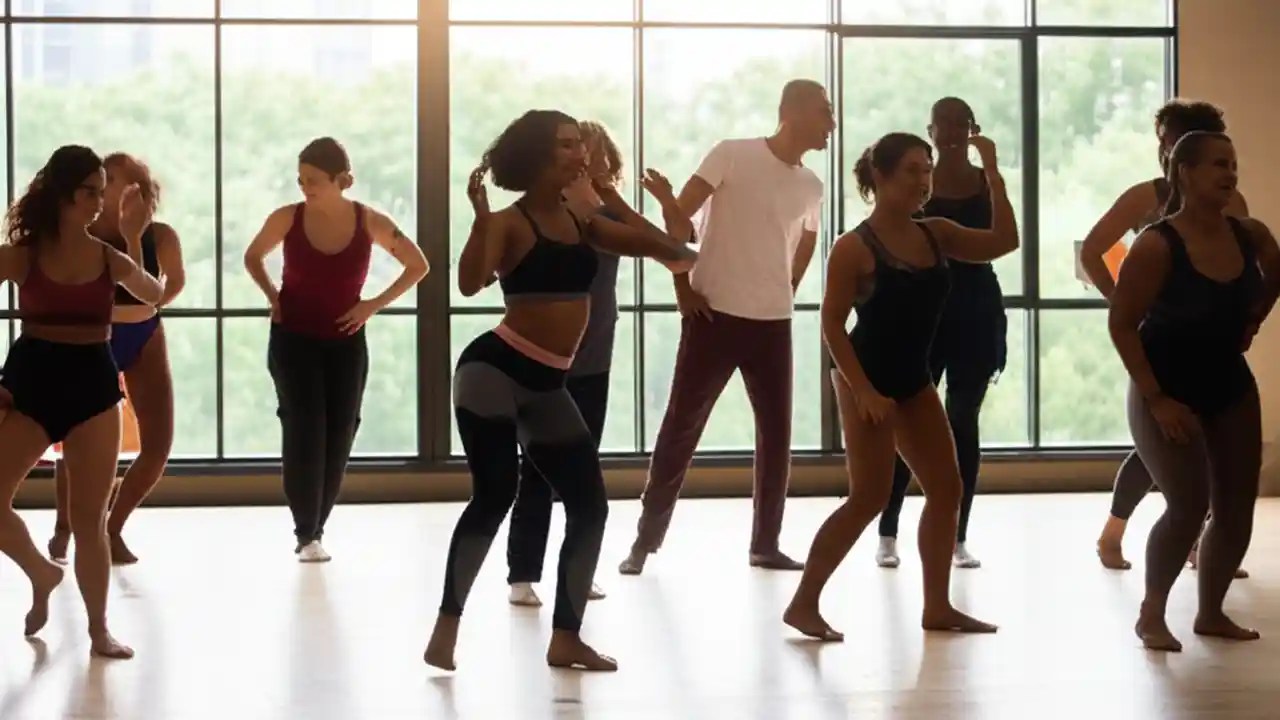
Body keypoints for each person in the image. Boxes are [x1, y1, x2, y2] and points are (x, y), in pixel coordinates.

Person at [425, 109, 696, 673]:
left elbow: (671, 249)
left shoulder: (583, 219)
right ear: (537, 157)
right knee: (494, 494)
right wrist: (479, 220)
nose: (581, 154)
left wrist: (610, 201)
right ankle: (447, 626)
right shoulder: (509, 221)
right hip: (493, 371)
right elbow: (470, 283)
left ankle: (566, 638)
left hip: (548, 382)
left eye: (580, 145)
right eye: (568, 146)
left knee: (590, 508)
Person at [783, 132, 1016, 641]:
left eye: (926, 170)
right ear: (881, 178)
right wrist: (863, 391)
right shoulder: (854, 247)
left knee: (947, 488)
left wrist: (992, 171)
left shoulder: (937, 233)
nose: (922, 180)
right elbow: (831, 326)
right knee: (867, 498)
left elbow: (1004, 242)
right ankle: (803, 603)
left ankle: (937, 607)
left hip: (914, 379)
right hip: (864, 376)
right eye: (911, 170)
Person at [618, 79, 833, 576]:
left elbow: (806, 241)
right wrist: (681, 271)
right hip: (713, 316)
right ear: (795, 112)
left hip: (772, 323)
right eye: (826, 112)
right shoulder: (731, 154)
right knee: (680, 427)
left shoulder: (811, 185)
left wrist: (788, 286)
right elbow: (680, 225)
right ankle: (644, 543)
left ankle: (766, 544)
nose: (832, 124)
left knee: (776, 436)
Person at [1108, 130, 1279, 652]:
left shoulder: (1250, 235)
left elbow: (1275, 277)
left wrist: (1253, 321)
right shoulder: (1157, 244)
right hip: (1163, 386)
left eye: (1233, 164)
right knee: (1187, 504)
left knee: (1235, 507)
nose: (1230, 174)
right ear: (1184, 172)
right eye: (1217, 165)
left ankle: (1210, 612)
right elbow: (1121, 325)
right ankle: (1152, 613)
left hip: (1228, 384)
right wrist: (1157, 399)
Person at [0, 145, 162, 659]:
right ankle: (42, 571)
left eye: (100, 191)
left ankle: (98, 631)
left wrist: (134, 239)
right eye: (91, 191)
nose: (100, 201)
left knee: (89, 519)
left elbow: (153, 293)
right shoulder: (24, 254)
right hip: (31, 382)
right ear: (64, 195)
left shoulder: (107, 256)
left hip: (92, 387)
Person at [1081, 100, 1251, 574]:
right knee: (1166, 439)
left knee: (1210, 443)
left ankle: (1203, 542)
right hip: (1159, 343)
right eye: (1163, 142)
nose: (1164, 150)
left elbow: (1243, 263)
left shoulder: (1231, 203)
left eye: (1172, 141)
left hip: (1213, 347)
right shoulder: (1147, 197)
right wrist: (1124, 303)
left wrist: (1246, 319)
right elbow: (1094, 250)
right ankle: (1114, 532)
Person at [244, 137, 429, 562]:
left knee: (341, 430)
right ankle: (305, 531)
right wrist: (274, 297)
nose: (305, 187)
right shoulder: (288, 218)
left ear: (342, 180)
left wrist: (371, 305)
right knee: (304, 428)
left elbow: (418, 264)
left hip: (346, 341)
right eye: (300, 179)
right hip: (293, 340)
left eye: (314, 180)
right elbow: (253, 256)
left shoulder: (370, 222)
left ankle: (318, 527)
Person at [505, 120, 643, 608]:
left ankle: (579, 572)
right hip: (544, 360)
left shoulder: (606, 214)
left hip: (594, 358)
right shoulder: (547, 215)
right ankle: (522, 572)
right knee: (536, 470)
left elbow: (665, 240)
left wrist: (607, 197)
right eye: (578, 153)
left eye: (596, 155)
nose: (587, 162)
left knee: (583, 473)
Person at [875, 97, 1006, 571]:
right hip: (922, 307)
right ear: (929, 130)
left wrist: (992, 169)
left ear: (973, 128)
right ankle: (888, 529)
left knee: (963, 420)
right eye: (942, 123)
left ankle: (957, 536)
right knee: (908, 420)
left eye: (960, 123)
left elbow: (1005, 236)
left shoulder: (982, 180)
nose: (950, 131)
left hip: (974, 307)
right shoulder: (916, 184)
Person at [47, 152, 185, 566]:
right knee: (78, 444)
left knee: (158, 446)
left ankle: (112, 527)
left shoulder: (159, 236)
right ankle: (64, 526)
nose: (120, 196)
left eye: (131, 187)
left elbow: (164, 287)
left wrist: (132, 238)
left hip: (144, 334)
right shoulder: (80, 237)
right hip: (93, 338)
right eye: (109, 187)